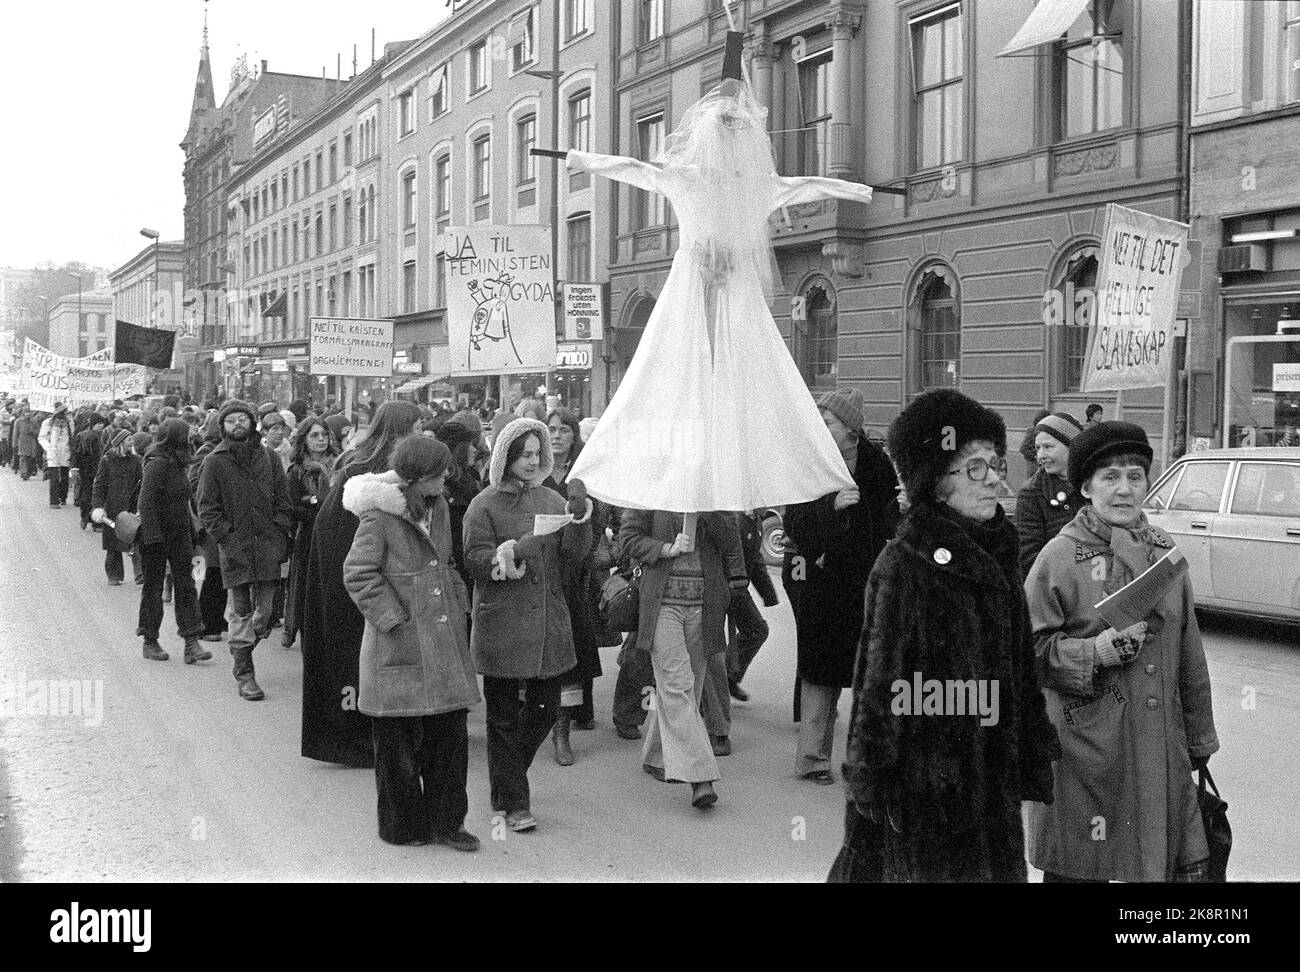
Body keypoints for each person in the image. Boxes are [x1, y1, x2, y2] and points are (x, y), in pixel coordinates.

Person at [831, 388, 1059, 882]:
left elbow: (1020, 665)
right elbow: (877, 686)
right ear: (936, 482)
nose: (994, 479)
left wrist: (1031, 742)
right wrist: (874, 780)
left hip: (991, 779)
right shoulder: (905, 562)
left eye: (995, 464)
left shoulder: (999, 550)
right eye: (974, 468)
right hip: (926, 790)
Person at [1024, 421, 1219, 882]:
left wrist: (1199, 740)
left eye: (1135, 476)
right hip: (1083, 749)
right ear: (1086, 487)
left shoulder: (1164, 551)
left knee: (1152, 863)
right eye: (1109, 477)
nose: (1124, 489)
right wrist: (1096, 652)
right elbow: (1029, 652)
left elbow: (1189, 652)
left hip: (1159, 744)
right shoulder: (1058, 557)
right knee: (1080, 868)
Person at [343, 436, 481, 851]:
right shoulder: (379, 517)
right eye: (439, 472)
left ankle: (447, 822)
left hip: (442, 644)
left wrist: (458, 604)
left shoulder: (437, 508)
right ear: (418, 476)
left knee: (450, 738)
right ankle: (403, 826)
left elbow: (447, 563)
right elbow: (358, 573)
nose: (447, 477)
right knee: (397, 745)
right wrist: (393, 619)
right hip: (397, 646)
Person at [462, 417, 593, 832]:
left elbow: (575, 558)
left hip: (548, 621)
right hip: (502, 622)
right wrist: (512, 551)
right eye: (524, 455)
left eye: (538, 454)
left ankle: (504, 781)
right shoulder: (483, 504)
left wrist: (581, 518)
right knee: (502, 715)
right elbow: (474, 560)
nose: (533, 462)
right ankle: (516, 803)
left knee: (546, 709)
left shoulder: (553, 500)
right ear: (506, 457)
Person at [784, 388, 899, 785]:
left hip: (866, 582)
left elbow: (888, 521)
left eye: (829, 422)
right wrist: (829, 509)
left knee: (869, 673)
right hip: (819, 582)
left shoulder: (876, 464)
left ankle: (864, 762)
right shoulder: (812, 463)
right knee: (821, 671)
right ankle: (813, 759)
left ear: (850, 429)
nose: (822, 427)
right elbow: (794, 526)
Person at [302, 399, 421, 766]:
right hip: (354, 586)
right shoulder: (359, 473)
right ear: (400, 431)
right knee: (354, 663)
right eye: (415, 428)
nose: (421, 434)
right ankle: (353, 741)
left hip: (392, 584)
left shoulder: (407, 471)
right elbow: (335, 534)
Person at [618, 506, 746, 810]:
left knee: (688, 689)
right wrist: (665, 548)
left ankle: (655, 756)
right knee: (677, 685)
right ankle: (700, 776)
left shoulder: (714, 494)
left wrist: (708, 512)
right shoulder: (654, 486)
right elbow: (628, 539)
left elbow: (731, 543)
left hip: (705, 606)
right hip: (663, 606)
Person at [197, 399, 294, 701]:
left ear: (252, 423)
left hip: (267, 547)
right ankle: (245, 675)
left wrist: (279, 532)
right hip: (235, 550)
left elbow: (283, 500)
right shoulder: (214, 461)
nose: (237, 424)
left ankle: (244, 646)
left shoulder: (269, 458)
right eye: (230, 420)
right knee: (240, 613)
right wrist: (227, 538)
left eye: (242, 419)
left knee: (265, 613)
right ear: (222, 426)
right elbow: (207, 509)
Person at [542, 407, 606, 765]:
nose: (556, 436)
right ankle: (540, 721)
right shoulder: (535, 474)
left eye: (563, 430)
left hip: (572, 578)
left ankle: (562, 732)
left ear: (573, 435)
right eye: (550, 429)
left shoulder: (581, 476)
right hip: (539, 574)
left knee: (571, 657)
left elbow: (597, 522)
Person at [136, 418, 210, 664]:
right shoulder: (156, 463)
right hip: (155, 538)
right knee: (153, 589)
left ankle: (191, 642)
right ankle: (150, 640)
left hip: (180, 536)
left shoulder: (179, 462)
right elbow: (145, 503)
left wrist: (192, 531)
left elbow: (183, 503)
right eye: (185, 434)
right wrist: (153, 537)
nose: (189, 438)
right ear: (174, 436)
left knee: (187, 587)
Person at [282, 416, 340, 650]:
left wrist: (315, 502)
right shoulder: (297, 470)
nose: (320, 440)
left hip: (334, 535)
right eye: (314, 435)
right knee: (304, 587)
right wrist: (315, 505)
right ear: (304, 440)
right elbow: (292, 506)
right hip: (307, 535)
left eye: (323, 435)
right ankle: (296, 629)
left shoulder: (339, 465)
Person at [1015, 412, 1086, 576]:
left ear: (1072, 446)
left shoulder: (1094, 484)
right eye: (1038, 448)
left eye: (1048, 447)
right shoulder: (1031, 493)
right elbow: (1028, 556)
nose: (1040, 455)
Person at [725, 508, 777, 700]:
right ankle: (719, 681)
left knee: (757, 631)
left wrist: (768, 594)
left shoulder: (756, 521)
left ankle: (729, 676)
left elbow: (755, 558)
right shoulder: (737, 521)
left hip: (738, 588)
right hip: (725, 586)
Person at [190, 410, 228, 642]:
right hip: (208, 523)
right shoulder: (207, 453)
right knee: (210, 573)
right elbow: (195, 487)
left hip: (218, 521)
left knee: (218, 573)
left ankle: (215, 618)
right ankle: (207, 623)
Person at [92, 429, 144, 586]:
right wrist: (98, 506)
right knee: (113, 544)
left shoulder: (136, 460)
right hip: (113, 507)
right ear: (120, 441)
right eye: (128, 439)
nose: (132, 442)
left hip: (132, 506)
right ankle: (114, 575)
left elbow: (142, 483)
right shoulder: (107, 460)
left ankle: (140, 573)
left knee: (136, 539)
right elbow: (99, 485)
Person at [72, 413, 108, 529]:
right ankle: (86, 518)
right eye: (98, 423)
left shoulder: (104, 436)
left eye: (102, 423)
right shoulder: (84, 436)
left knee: (96, 496)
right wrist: (75, 467)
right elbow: (77, 454)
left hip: (99, 470)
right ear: (92, 424)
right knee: (88, 496)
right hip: (87, 470)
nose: (101, 426)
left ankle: (94, 522)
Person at [38, 403, 74, 508]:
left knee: (64, 478)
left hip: (65, 453)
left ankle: (62, 497)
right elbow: (41, 437)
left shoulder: (70, 422)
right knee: (54, 478)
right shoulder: (48, 422)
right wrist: (49, 447)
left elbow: (72, 436)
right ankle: (53, 501)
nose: (62, 416)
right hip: (52, 453)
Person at [1019, 407, 1052, 480]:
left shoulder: (1045, 431)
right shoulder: (1032, 431)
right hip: (1033, 464)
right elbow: (1023, 449)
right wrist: (1035, 457)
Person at [14, 407, 40, 480]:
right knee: (23, 457)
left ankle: (28, 472)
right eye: (26, 412)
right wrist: (14, 444)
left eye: (29, 412)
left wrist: (33, 431)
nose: (28, 414)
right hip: (22, 442)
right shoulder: (18, 421)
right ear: (23, 413)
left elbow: (38, 430)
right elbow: (15, 433)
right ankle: (23, 473)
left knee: (30, 458)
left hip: (31, 442)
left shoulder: (34, 421)